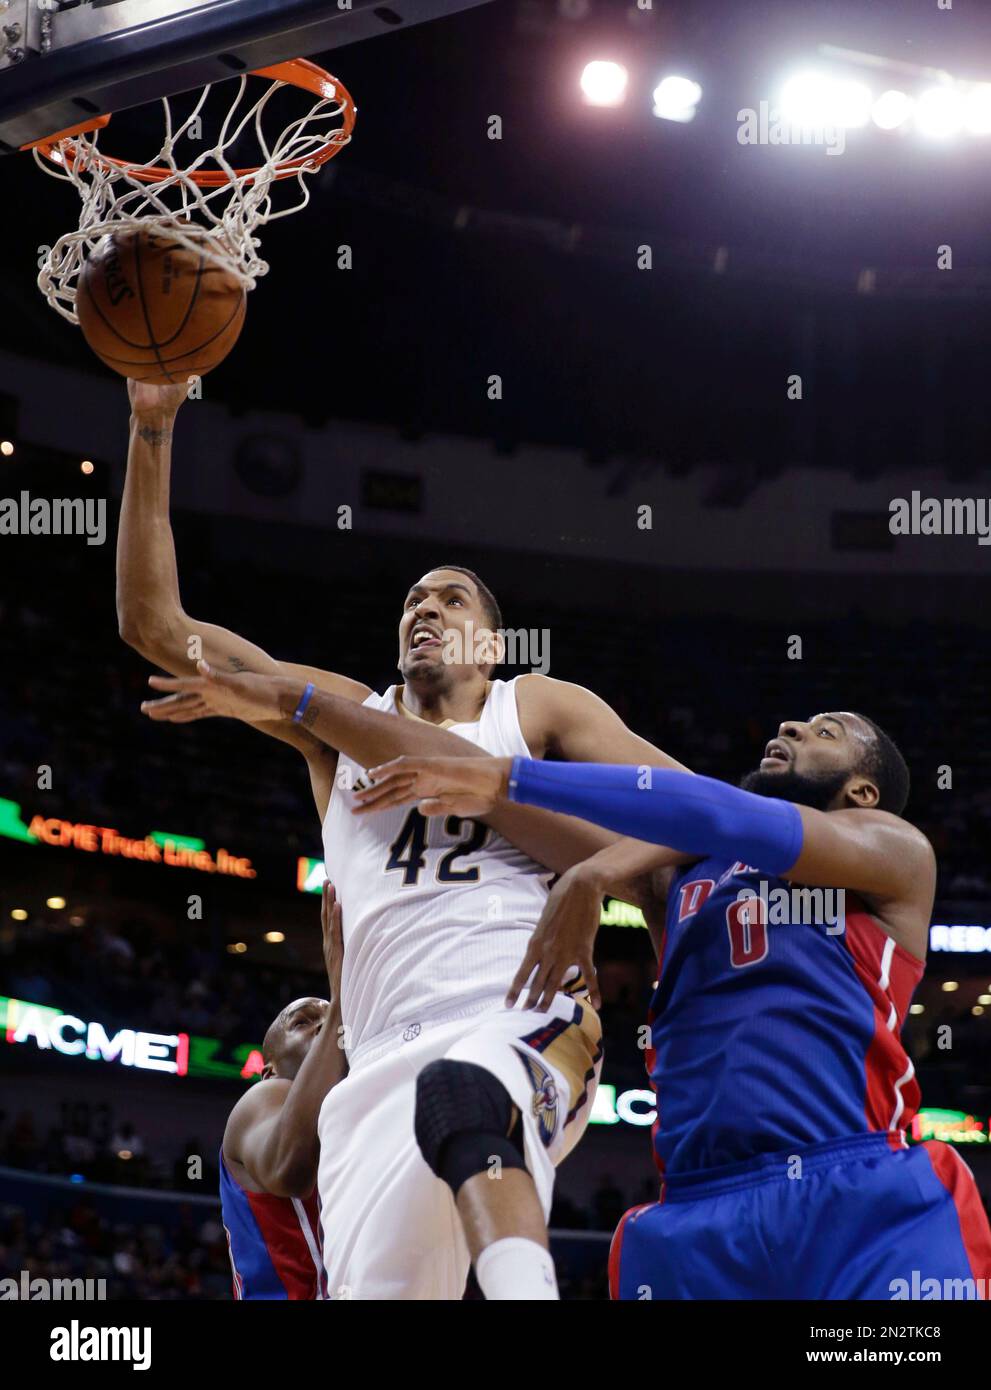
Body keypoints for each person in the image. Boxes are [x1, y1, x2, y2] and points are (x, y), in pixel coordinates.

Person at [118, 379, 683, 1300]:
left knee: (467, 1088)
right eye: (414, 599)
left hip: (515, 1012)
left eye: (452, 601)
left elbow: (689, 812)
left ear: (492, 646)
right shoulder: (342, 720)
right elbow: (153, 626)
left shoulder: (532, 706)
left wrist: (598, 876)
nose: (425, 609)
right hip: (373, 1062)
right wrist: (153, 422)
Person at [351, 713, 991, 1299]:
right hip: (693, 1217)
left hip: (862, 1196)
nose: (792, 725)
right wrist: (315, 710)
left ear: (862, 792)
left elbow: (718, 811)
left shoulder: (894, 850)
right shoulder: (681, 878)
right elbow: (505, 800)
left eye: (826, 733)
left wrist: (534, 799)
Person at [220, 884, 345, 1300]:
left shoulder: (357, 1113)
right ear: (268, 1068)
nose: (322, 1023)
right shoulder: (263, 1098)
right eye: (305, 1021)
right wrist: (342, 996)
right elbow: (289, 1171)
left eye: (327, 1017)